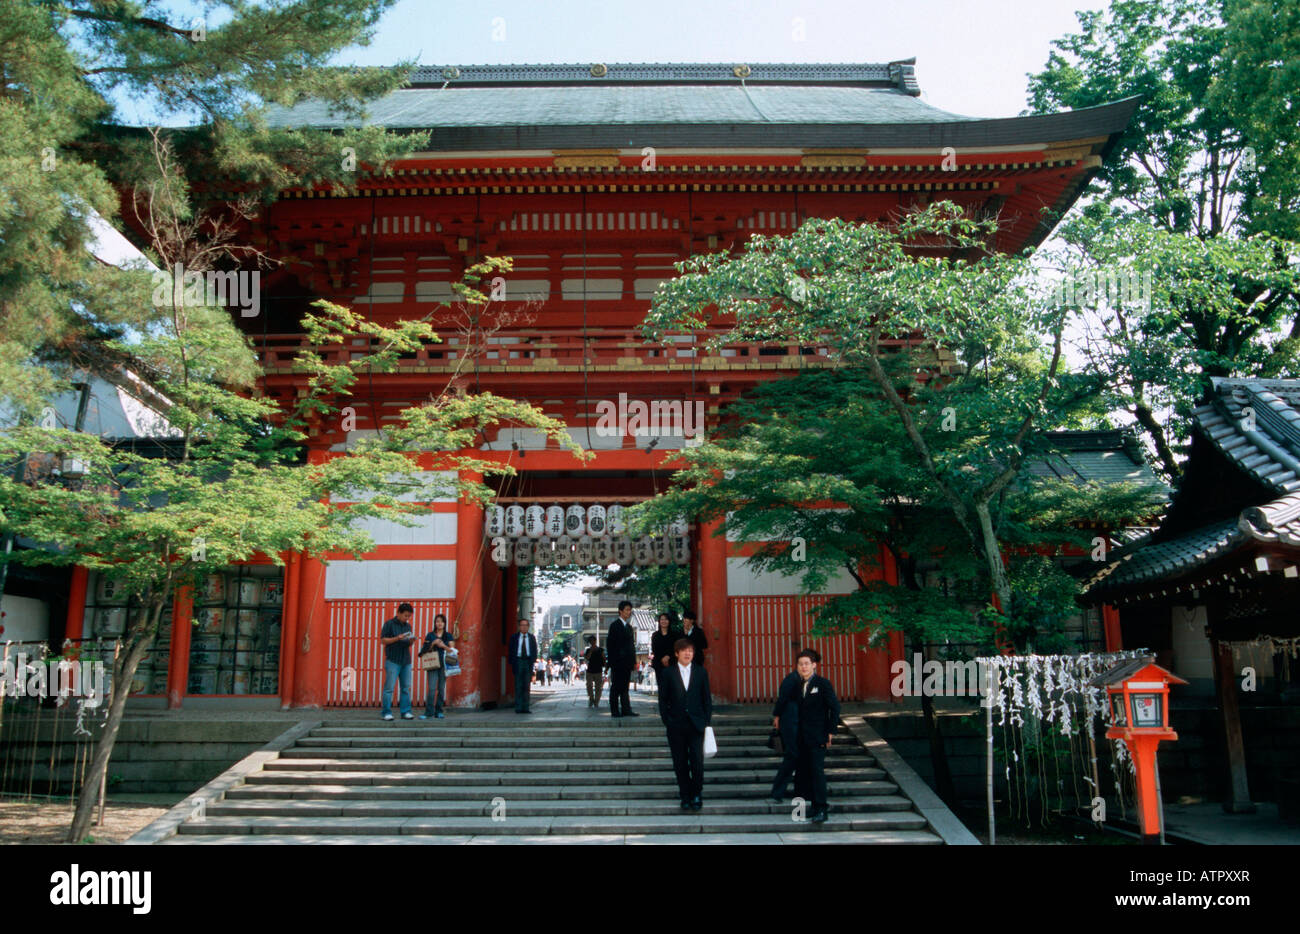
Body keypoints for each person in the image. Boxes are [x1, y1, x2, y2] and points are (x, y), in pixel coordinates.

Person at [779, 649, 841, 823]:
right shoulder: (798, 685)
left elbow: (835, 708)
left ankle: (822, 807)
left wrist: (830, 731)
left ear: (814, 665)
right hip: (801, 737)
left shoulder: (822, 684)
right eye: (800, 664)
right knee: (805, 773)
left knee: (817, 772)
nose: (803, 667)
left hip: (817, 736)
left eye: (806, 664)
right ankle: (813, 807)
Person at [657, 638, 712, 810]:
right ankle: (685, 795)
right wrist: (668, 720)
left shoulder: (701, 672)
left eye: (690, 650)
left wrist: (705, 721)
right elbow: (663, 700)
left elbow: (707, 700)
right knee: (679, 762)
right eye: (684, 650)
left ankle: (697, 793)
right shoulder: (668, 673)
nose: (688, 653)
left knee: (697, 761)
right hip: (676, 725)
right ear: (676, 653)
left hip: (696, 725)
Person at [379, 602, 417, 721]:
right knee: (389, 688)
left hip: (406, 660)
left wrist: (411, 640)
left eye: (409, 616)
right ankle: (386, 712)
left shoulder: (408, 626)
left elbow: (408, 644)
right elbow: (383, 640)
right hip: (393, 660)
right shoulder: (389, 624)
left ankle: (405, 712)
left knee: (405, 687)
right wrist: (397, 638)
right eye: (405, 615)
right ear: (398, 613)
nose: (407, 618)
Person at [417, 613, 454, 720]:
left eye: (442, 621)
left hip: (444, 664)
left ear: (445, 623)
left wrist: (443, 646)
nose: (439, 623)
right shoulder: (430, 635)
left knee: (441, 688)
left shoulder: (448, 635)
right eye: (437, 621)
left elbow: (452, 650)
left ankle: (439, 711)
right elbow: (423, 650)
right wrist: (432, 643)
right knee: (432, 688)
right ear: (435, 623)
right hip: (432, 663)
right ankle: (428, 712)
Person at [606, 600, 638, 717]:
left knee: (625, 687)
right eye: (627, 610)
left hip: (627, 663)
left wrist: (634, 662)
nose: (629, 612)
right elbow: (610, 646)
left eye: (630, 610)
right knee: (616, 687)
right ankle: (614, 711)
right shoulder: (614, 626)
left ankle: (626, 709)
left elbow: (632, 646)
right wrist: (612, 662)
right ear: (620, 611)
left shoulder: (629, 627)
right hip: (617, 662)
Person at [507, 617, 538, 714]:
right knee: (518, 685)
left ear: (528, 627)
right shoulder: (514, 637)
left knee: (526, 685)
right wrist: (513, 662)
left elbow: (534, 650)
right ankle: (518, 707)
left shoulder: (531, 637)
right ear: (519, 627)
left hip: (528, 662)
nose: (524, 627)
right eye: (522, 625)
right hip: (518, 661)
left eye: (526, 625)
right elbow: (511, 650)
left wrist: (532, 661)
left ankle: (526, 707)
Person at [649, 613, 675, 688]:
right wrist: (662, 659)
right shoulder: (655, 635)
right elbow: (654, 649)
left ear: (669, 621)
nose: (664, 621)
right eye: (662, 619)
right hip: (659, 664)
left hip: (671, 664)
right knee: (662, 687)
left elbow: (675, 649)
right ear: (659, 621)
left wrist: (668, 656)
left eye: (666, 619)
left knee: (671, 688)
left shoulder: (674, 635)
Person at [583, 635, 605, 708]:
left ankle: (596, 701)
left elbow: (604, 658)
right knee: (589, 685)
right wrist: (591, 651)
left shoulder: (600, 650)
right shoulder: (588, 650)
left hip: (598, 670)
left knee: (598, 687)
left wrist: (606, 668)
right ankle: (591, 698)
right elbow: (587, 658)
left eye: (593, 641)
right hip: (590, 670)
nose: (592, 642)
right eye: (590, 641)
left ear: (595, 641)